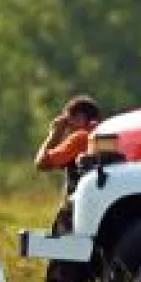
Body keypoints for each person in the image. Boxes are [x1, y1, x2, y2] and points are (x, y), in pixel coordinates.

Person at [35, 95, 101, 235]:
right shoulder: (99, 139)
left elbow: (42, 163)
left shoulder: (81, 138)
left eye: (68, 119)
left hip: (75, 211)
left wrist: (54, 134)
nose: (67, 126)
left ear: (79, 118)